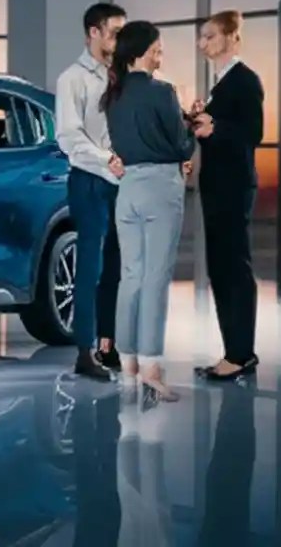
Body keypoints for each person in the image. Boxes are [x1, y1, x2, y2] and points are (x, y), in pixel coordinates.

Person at [102, 20, 196, 401]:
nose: (161, 55)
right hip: (160, 189)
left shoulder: (113, 94)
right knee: (156, 279)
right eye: (157, 49)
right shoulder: (163, 91)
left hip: (128, 191)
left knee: (131, 278)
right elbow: (179, 145)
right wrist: (190, 126)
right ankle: (153, 368)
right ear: (141, 53)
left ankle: (128, 365)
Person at [191, 10, 264, 381]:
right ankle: (233, 351)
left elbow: (253, 133)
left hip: (233, 188)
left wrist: (214, 126)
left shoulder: (244, 80)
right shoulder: (221, 83)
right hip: (220, 187)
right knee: (222, 267)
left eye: (210, 36)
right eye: (201, 37)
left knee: (233, 267)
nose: (202, 43)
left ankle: (240, 354)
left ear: (232, 37)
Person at [56, 2, 127, 380]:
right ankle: (84, 352)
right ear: (93, 33)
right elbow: (68, 136)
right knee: (91, 268)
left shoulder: (122, 76)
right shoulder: (72, 79)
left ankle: (107, 344)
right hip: (89, 180)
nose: (119, 40)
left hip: (121, 181)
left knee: (115, 267)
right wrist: (106, 160)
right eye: (115, 32)